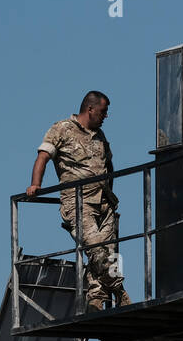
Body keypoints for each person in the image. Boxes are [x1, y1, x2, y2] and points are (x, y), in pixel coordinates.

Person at [27, 91, 131, 311]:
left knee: (108, 253)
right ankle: (121, 292)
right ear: (90, 109)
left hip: (104, 203)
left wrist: (110, 197)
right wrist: (35, 184)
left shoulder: (100, 135)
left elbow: (108, 166)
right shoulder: (62, 129)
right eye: (103, 112)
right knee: (96, 250)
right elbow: (43, 157)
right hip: (78, 202)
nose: (106, 116)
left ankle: (95, 299)